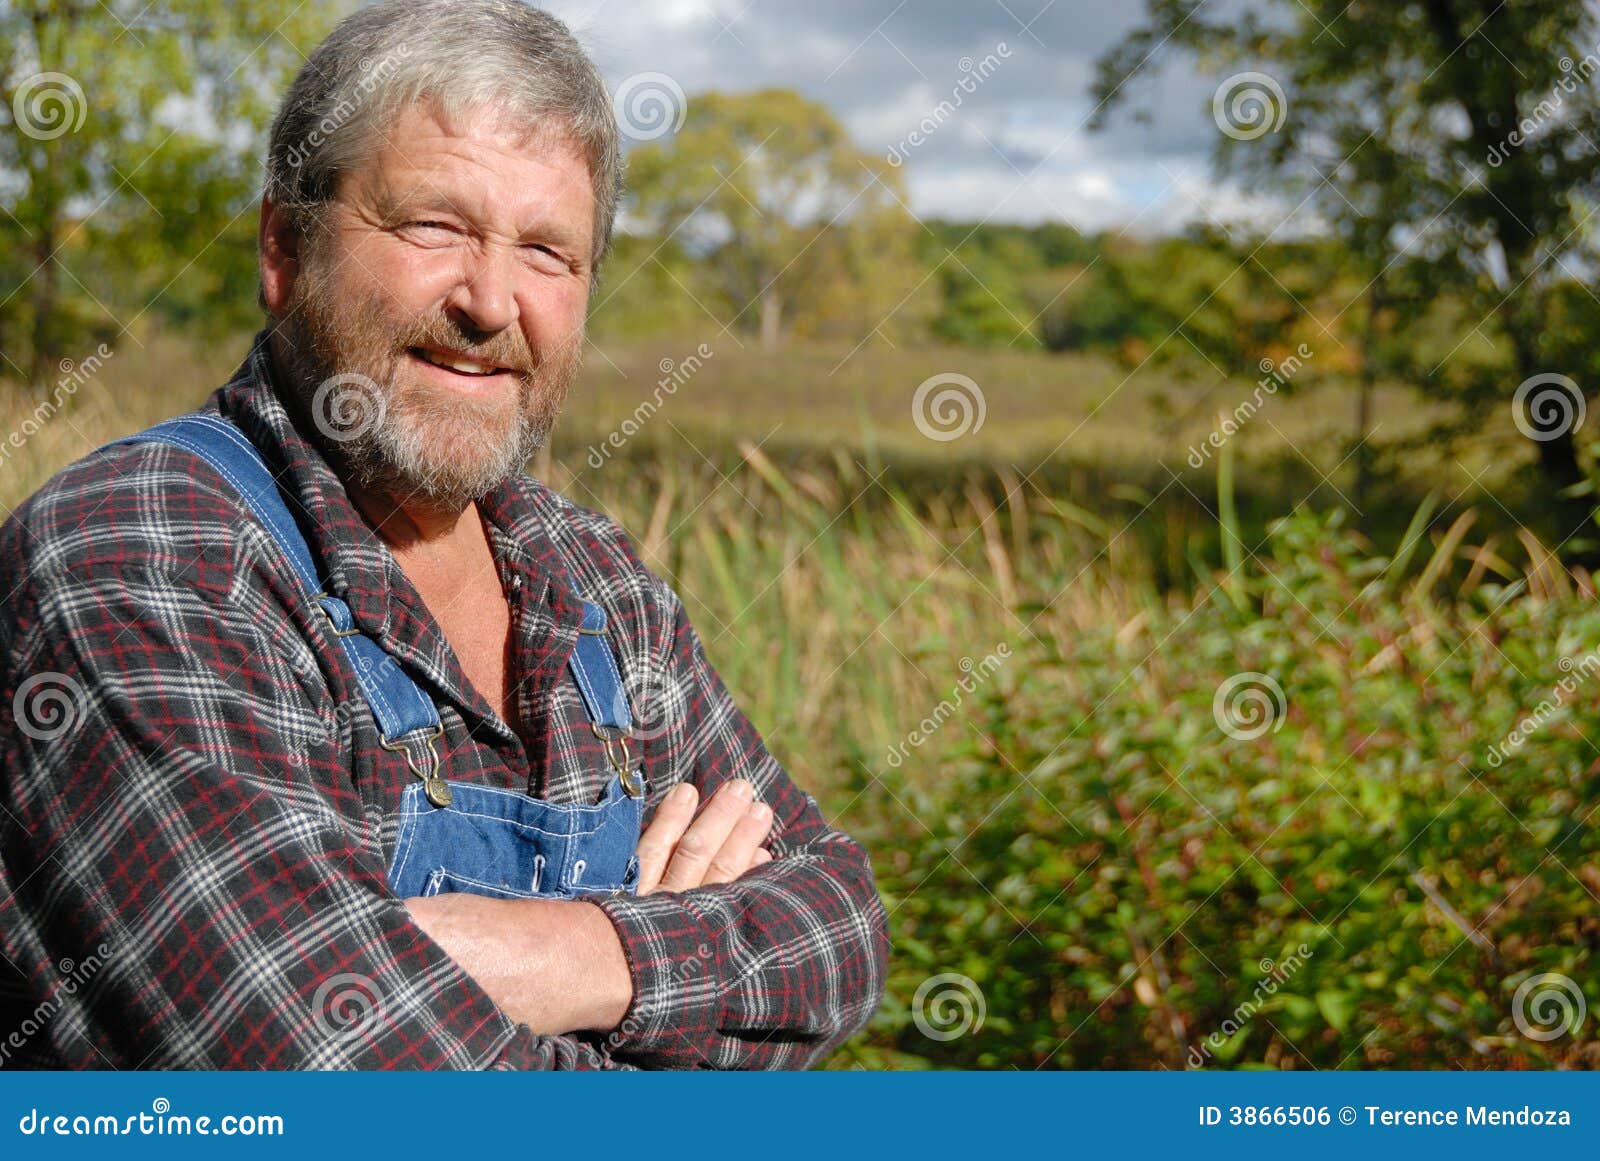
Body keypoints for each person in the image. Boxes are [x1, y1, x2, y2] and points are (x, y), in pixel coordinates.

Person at [0, 0, 888, 1070]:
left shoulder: (591, 579)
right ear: (284, 247)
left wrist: (571, 954)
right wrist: (692, 997)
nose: (491, 303)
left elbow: (839, 925)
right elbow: (347, 1071)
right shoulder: (147, 554)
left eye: (548, 251)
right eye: (435, 226)